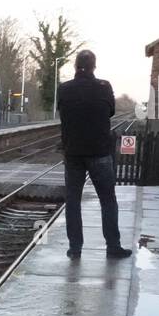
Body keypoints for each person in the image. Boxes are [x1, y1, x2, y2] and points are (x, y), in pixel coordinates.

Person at [57, 50, 130, 259]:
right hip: (99, 151)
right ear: (94, 67)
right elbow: (110, 112)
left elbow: (63, 111)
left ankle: (75, 248)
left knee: (73, 201)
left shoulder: (64, 89)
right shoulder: (104, 87)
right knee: (107, 200)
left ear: (75, 66)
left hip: (73, 153)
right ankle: (113, 246)